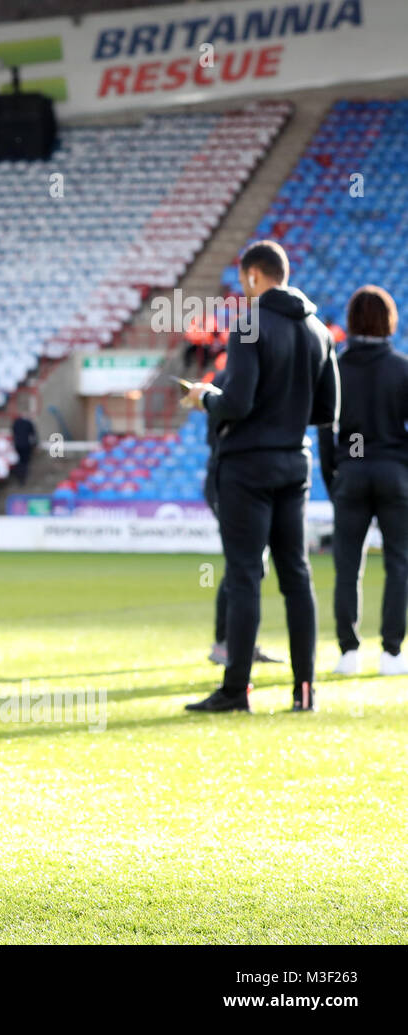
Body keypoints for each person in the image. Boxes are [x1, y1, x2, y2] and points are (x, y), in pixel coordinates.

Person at [182, 240, 339, 713]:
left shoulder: (249, 324)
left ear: (253, 275)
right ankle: (304, 691)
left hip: (248, 466)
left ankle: (236, 690)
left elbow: (238, 403)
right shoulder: (318, 329)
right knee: (297, 575)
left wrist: (205, 396)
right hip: (296, 463)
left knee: (246, 574)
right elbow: (328, 410)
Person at [318, 285, 408, 677]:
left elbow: (325, 428)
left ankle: (348, 652)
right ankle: (392, 653)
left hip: (351, 470)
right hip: (393, 472)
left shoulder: (334, 366)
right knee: (399, 564)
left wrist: (333, 476)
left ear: (352, 321)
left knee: (347, 567)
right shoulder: (402, 368)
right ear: (389, 321)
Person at [202, 366, 282, 668]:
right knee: (243, 566)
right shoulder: (232, 380)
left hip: (239, 476)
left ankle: (240, 644)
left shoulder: (236, 376)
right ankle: (227, 644)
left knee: (250, 566)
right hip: (231, 478)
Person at [11, 412, 38, 484]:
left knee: (19, 460)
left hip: (17, 444)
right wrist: (35, 445)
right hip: (26, 445)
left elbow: (14, 432)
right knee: (25, 461)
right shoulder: (29, 423)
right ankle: (22, 477)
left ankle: (19, 475)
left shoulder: (16, 422)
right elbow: (33, 435)